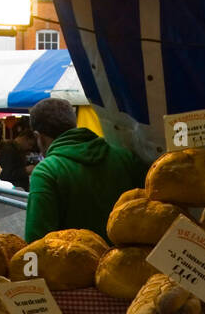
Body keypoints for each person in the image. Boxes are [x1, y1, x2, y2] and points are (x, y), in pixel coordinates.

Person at [24, 97, 147, 242]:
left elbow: (36, 241)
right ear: (73, 123)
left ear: (39, 137)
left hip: (73, 263)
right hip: (126, 262)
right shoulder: (124, 157)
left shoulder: (47, 171)